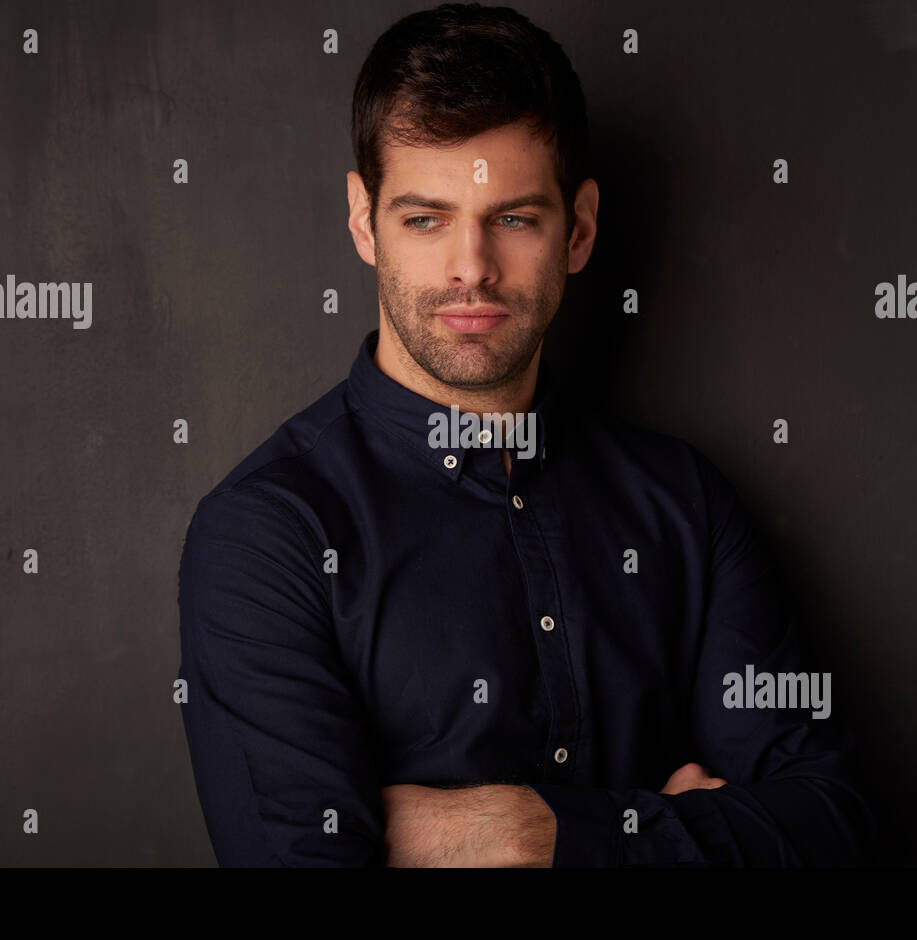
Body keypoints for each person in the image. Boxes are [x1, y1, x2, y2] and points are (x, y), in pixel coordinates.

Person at [177, 2, 874, 867]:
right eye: (424, 218)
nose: (471, 267)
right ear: (364, 220)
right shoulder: (266, 535)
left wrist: (520, 831)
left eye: (513, 218)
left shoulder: (684, 504)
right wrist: (663, 837)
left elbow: (829, 826)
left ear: (578, 228)